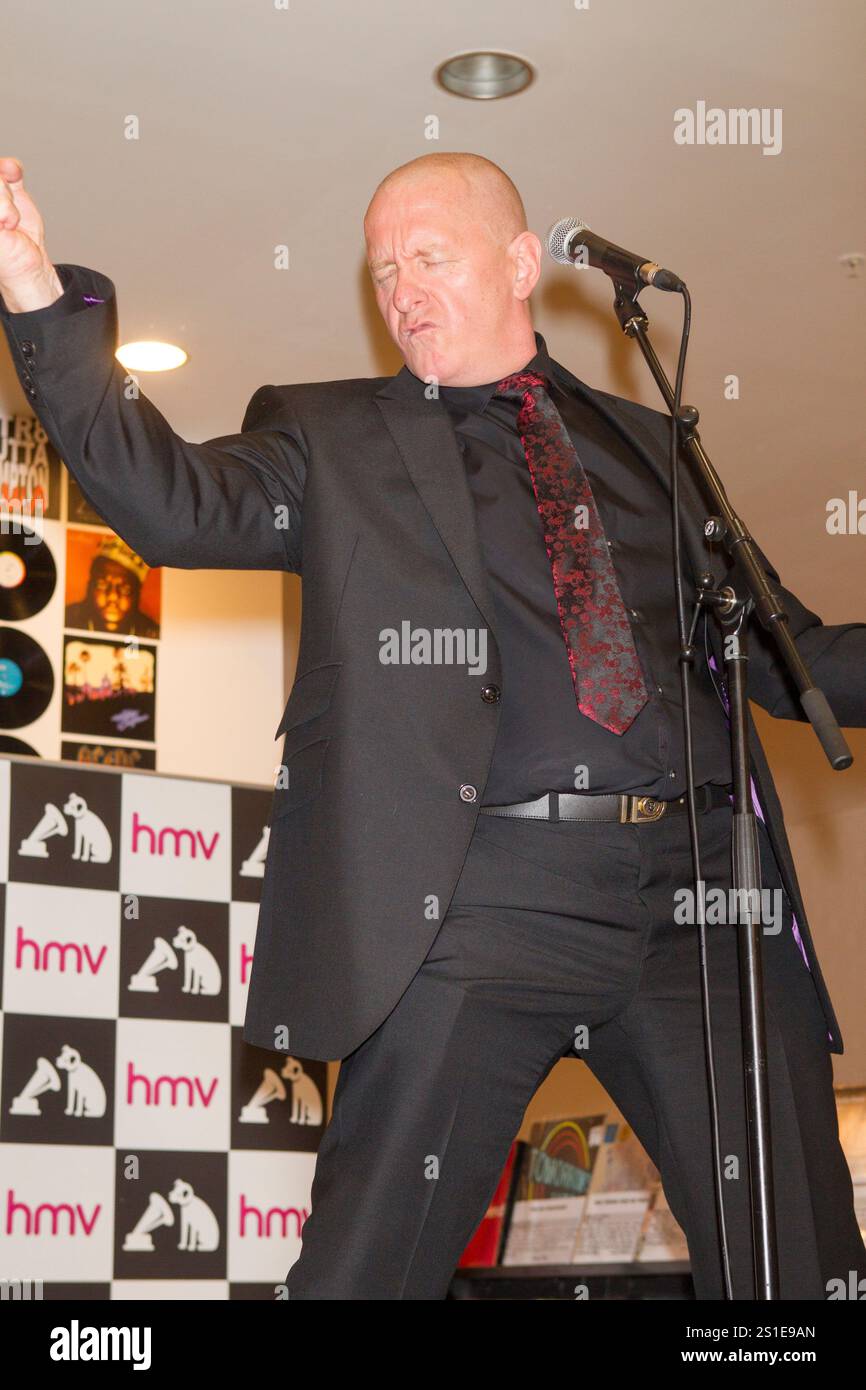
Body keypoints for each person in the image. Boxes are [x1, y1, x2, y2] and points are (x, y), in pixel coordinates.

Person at [1, 150, 864, 1300]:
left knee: (795, 1275)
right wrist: (35, 297)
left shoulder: (653, 449)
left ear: (519, 265)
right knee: (366, 1274)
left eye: (427, 257)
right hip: (479, 895)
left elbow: (786, 655)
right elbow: (171, 501)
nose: (399, 288)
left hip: (699, 901)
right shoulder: (333, 437)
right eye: (380, 272)